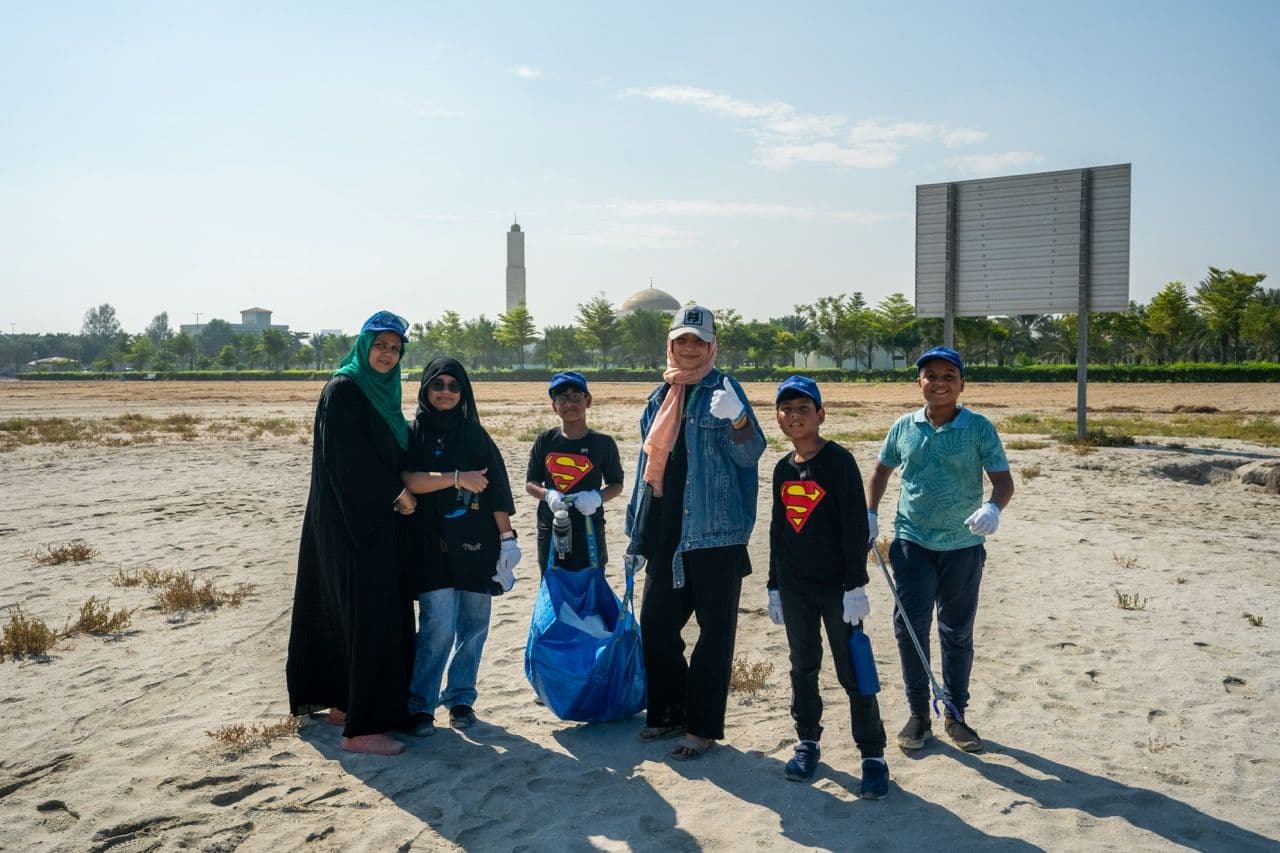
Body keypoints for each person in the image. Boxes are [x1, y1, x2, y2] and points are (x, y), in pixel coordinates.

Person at [625, 304, 765, 761]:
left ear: (711, 346)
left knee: (714, 633)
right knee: (658, 626)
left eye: (698, 342)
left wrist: (740, 420)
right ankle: (668, 711)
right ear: (670, 344)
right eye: (681, 340)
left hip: (715, 532)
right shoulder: (659, 396)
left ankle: (702, 726)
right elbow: (647, 467)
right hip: (666, 530)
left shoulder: (725, 389)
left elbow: (751, 456)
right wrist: (636, 533)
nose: (689, 349)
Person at [867, 346, 1014, 754]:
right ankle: (918, 715)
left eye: (949, 376)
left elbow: (1003, 481)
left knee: (956, 631)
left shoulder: (980, 428)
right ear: (919, 383)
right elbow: (881, 470)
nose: (939, 383)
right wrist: (870, 513)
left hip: (964, 546)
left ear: (962, 383)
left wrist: (992, 508)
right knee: (910, 628)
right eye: (930, 375)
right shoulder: (904, 426)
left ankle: (955, 713)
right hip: (912, 542)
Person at [286, 310, 417, 757]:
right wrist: (396, 493)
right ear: (363, 346)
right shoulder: (345, 389)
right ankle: (361, 729)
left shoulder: (381, 393)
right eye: (379, 345)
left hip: (359, 524)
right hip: (354, 525)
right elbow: (348, 464)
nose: (386, 354)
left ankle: (344, 704)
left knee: (350, 614)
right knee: (370, 617)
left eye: (395, 348)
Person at [766, 376, 889, 798]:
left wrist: (856, 585)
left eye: (803, 408)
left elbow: (856, 527)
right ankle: (808, 741)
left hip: (838, 588)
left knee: (853, 670)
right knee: (803, 667)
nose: (794, 415)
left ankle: (872, 754)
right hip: (796, 588)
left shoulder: (838, 461)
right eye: (786, 409)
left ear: (820, 414)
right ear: (778, 418)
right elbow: (778, 529)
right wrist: (774, 586)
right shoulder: (783, 468)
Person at [401, 356, 521, 736]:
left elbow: (497, 490)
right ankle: (420, 705)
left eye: (454, 386)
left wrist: (507, 540)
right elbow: (410, 479)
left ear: (464, 391)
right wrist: (458, 478)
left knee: (474, 625)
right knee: (437, 625)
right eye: (438, 385)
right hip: (430, 545)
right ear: (425, 389)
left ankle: (461, 698)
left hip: (477, 544)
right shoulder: (413, 433)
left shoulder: (475, 435)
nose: (446, 393)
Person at [525, 371, 624, 575]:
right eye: (562, 399)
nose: (570, 404)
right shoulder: (545, 440)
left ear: (588, 401)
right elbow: (531, 482)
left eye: (576, 398)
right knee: (553, 586)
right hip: (551, 528)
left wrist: (596, 497)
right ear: (554, 406)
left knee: (591, 586)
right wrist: (548, 495)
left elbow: (616, 484)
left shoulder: (603, 443)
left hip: (589, 527)